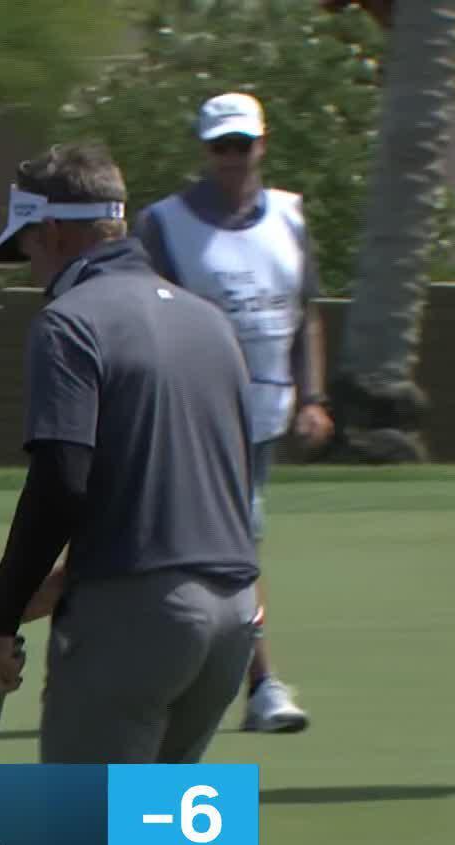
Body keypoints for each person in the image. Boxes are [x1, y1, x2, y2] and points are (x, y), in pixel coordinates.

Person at [0, 143, 271, 845]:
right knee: (155, 835)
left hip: (139, 622)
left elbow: (63, 481)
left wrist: (3, 612)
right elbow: (186, 488)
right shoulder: (210, 323)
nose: (30, 266)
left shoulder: (71, 322)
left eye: (28, 245)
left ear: (57, 231)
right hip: (231, 615)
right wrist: (68, 582)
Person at [134, 92, 333, 734]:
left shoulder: (291, 219)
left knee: (212, 549)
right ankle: (262, 687)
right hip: (195, 418)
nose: (231, 158)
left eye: (242, 145)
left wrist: (314, 396)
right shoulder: (164, 224)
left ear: (262, 146)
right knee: (235, 546)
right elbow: (143, 316)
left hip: (265, 417)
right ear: (204, 150)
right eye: (220, 146)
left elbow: (308, 314)